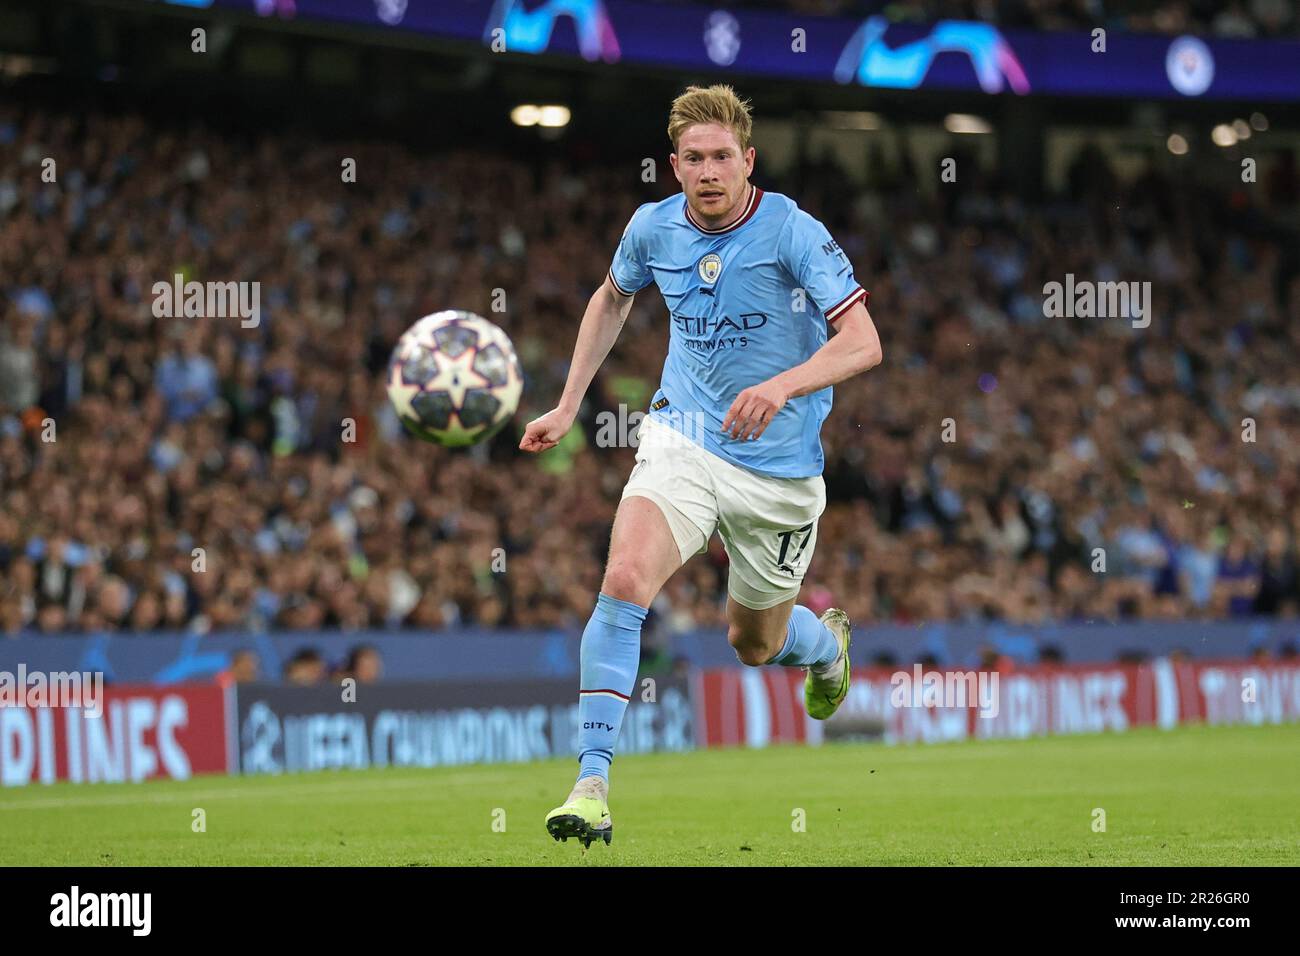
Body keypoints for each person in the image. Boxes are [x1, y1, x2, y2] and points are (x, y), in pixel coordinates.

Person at [520, 84, 882, 849]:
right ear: (675, 166)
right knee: (623, 582)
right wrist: (565, 402)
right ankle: (591, 783)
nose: (710, 171)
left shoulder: (790, 229)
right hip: (682, 435)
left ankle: (824, 647)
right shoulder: (652, 228)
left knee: (752, 644)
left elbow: (863, 343)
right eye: (694, 159)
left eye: (724, 157)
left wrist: (782, 385)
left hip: (779, 473)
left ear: (748, 161)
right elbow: (611, 300)